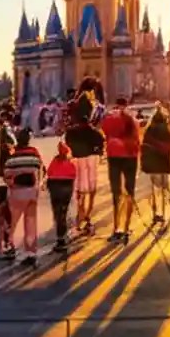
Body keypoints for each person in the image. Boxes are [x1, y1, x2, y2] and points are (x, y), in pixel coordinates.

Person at [64, 90, 105, 237]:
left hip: (77, 159)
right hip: (91, 159)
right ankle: (87, 217)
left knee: (80, 191)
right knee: (91, 191)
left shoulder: (71, 132)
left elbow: (68, 144)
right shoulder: (95, 132)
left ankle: (80, 219)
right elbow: (101, 147)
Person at [101, 97, 141, 243]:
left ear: (116, 104)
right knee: (130, 191)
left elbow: (104, 131)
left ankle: (116, 228)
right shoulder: (133, 119)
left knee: (116, 192)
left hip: (114, 155)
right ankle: (126, 228)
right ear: (127, 105)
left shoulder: (110, 117)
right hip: (130, 155)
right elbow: (137, 138)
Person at [4, 128, 45, 266]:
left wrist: (11, 185)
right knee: (31, 223)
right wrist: (38, 186)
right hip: (32, 192)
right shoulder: (34, 153)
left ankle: (10, 246)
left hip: (17, 192)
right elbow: (41, 169)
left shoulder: (13, 156)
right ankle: (31, 253)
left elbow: (7, 174)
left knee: (13, 222)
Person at [141, 107, 170, 227]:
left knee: (155, 190)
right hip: (164, 163)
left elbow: (144, 146)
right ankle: (163, 214)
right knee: (163, 189)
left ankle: (155, 213)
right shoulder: (166, 130)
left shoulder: (149, 130)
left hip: (152, 164)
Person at [46, 141, 78, 252]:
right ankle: (62, 237)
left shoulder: (55, 161)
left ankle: (60, 238)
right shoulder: (70, 163)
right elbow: (74, 175)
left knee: (57, 213)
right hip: (66, 187)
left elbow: (49, 173)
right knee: (63, 212)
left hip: (54, 186)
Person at [0, 111, 17, 260]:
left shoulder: (5, 128)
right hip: (7, 163)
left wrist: (8, 149)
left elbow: (11, 143)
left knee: (7, 195)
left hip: (7, 163)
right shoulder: (6, 128)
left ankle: (7, 238)